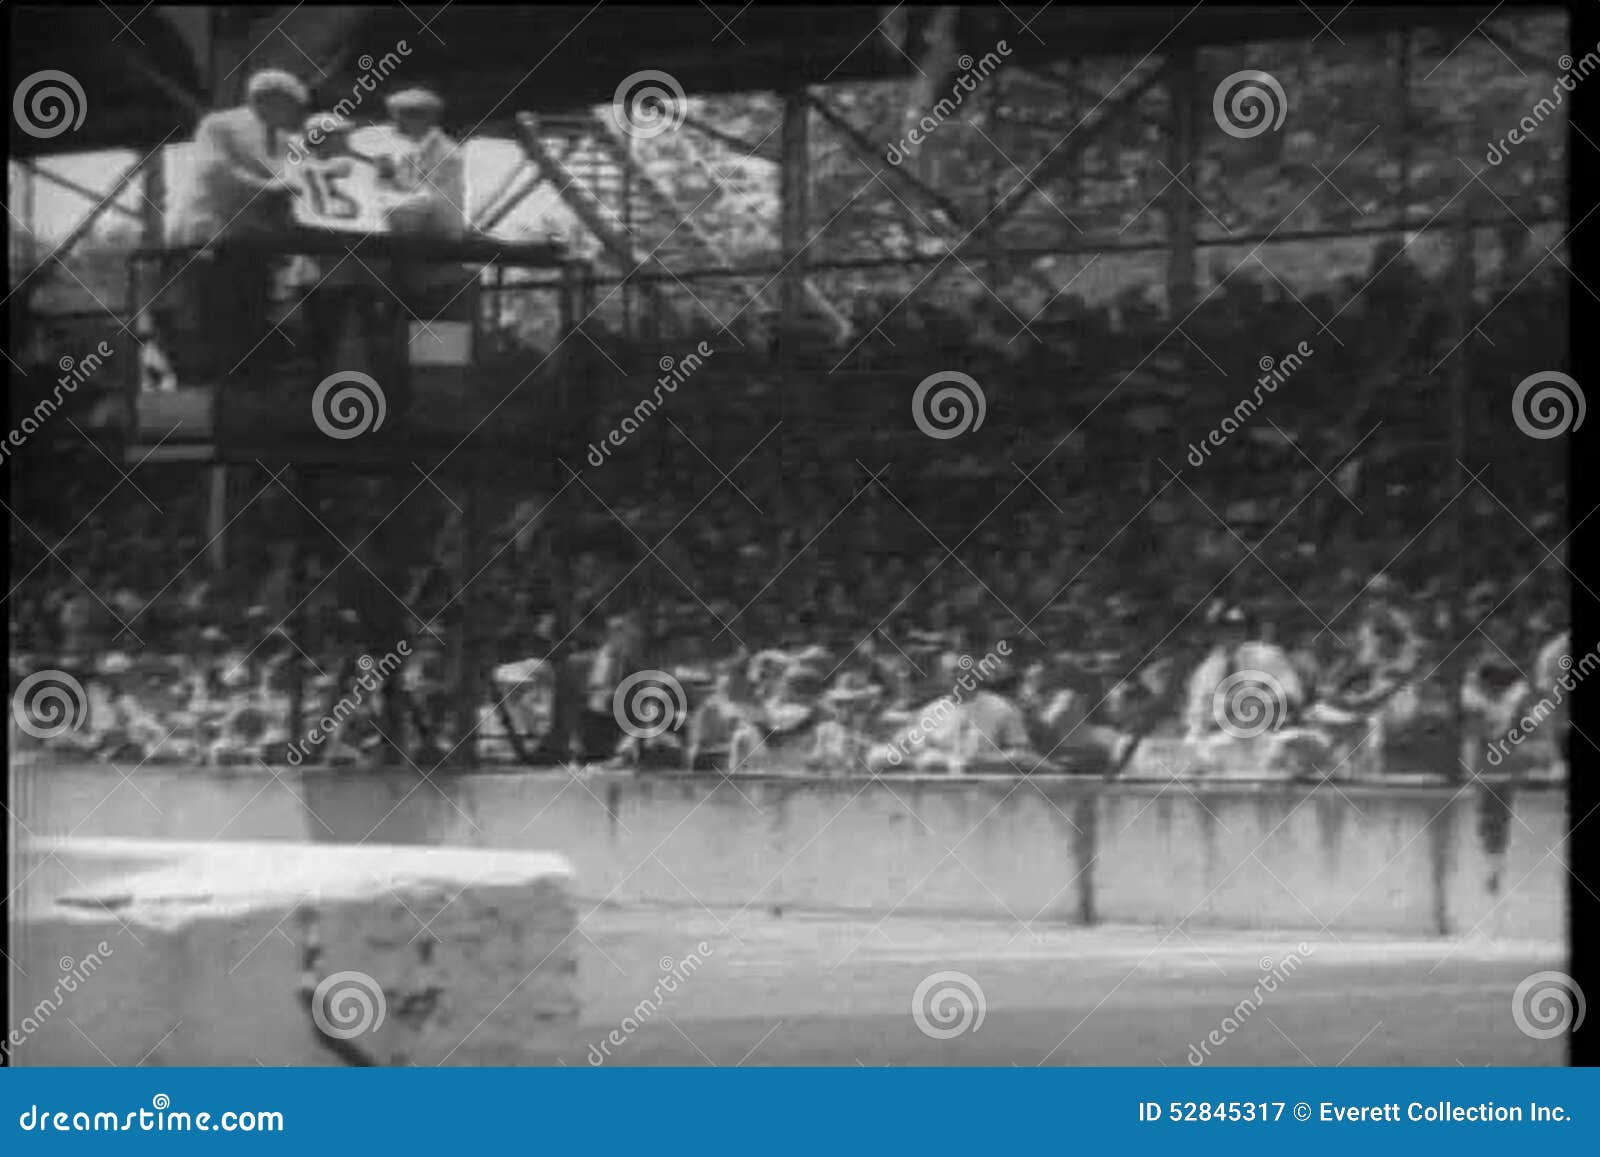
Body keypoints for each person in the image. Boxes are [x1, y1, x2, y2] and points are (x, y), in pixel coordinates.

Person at [164, 69, 309, 381]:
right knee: (214, 319)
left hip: (251, 245)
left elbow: (291, 190)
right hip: (206, 238)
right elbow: (217, 173)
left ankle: (249, 388)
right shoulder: (220, 126)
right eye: (292, 106)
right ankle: (217, 390)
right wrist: (268, 189)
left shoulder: (286, 142)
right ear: (268, 100)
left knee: (252, 318)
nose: (296, 115)